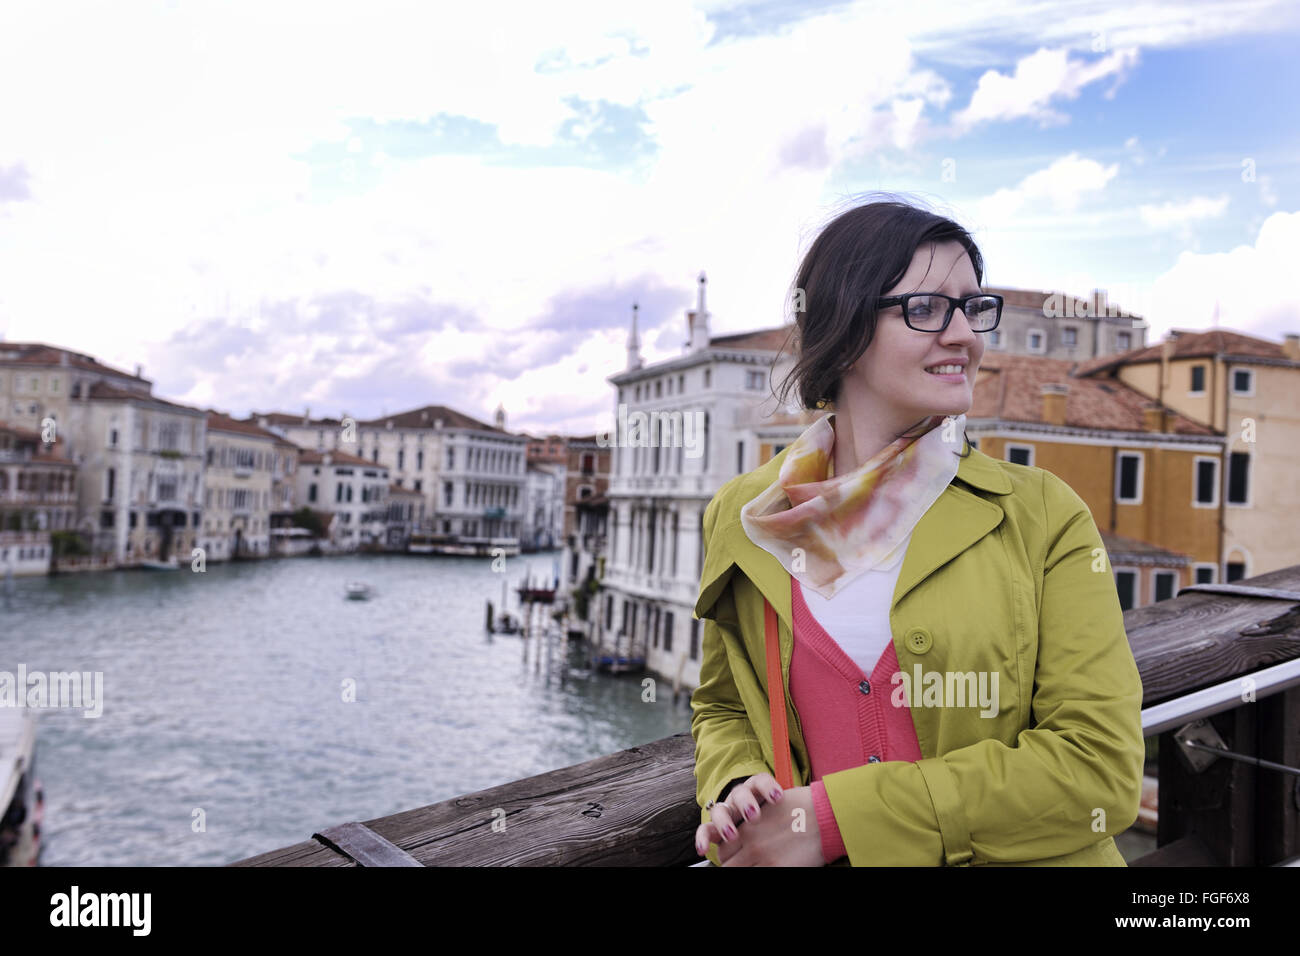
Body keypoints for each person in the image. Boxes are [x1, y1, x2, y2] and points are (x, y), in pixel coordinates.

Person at [690, 196, 1145, 866]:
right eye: (926, 308)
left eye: (972, 306)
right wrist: (734, 783)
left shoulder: (1044, 515)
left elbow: (1099, 771)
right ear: (842, 326)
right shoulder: (743, 516)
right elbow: (724, 706)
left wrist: (833, 820)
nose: (964, 334)